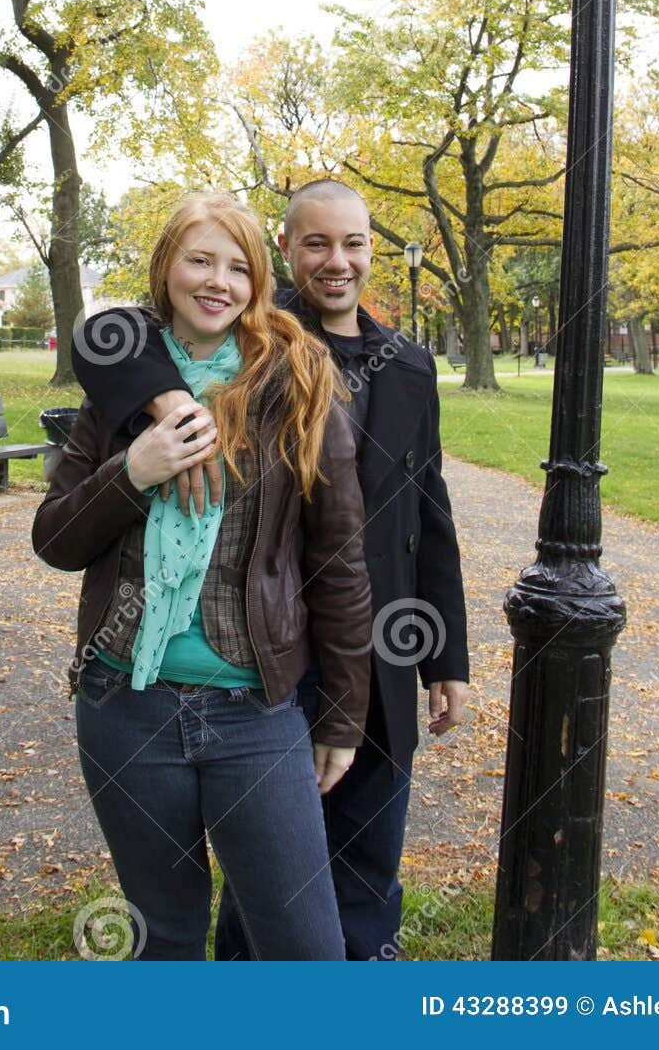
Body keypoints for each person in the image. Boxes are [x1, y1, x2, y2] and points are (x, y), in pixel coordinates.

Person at [74, 178, 469, 961]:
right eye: (315, 243)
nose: (336, 261)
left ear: (370, 254)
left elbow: (429, 509)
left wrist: (444, 654)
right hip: (262, 662)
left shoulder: (406, 367)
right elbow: (104, 334)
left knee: (362, 858)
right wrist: (164, 409)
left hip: (369, 648)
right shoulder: (254, 341)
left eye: (353, 244)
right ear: (282, 251)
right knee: (261, 891)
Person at [32, 192, 372, 961]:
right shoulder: (118, 390)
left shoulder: (299, 386)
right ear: (166, 271)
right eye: (199, 260)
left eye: (237, 266)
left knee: (305, 950)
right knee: (165, 937)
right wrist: (135, 470)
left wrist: (343, 721)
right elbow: (54, 540)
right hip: (125, 707)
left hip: (253, 714)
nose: (217, 282)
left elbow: (340, 564)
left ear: (257, 281)